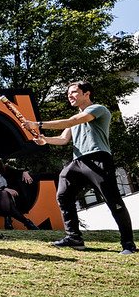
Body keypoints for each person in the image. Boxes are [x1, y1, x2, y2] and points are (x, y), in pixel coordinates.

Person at [16, 80, 136, 253]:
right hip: (78, 162)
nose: (69, 96)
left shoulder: (97, 109)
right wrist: (45, 140)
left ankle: (128, 244)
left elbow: (72, 121)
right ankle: (74, 238)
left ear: (86, 93)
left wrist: (38, 124)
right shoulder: (75, 120)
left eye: (73, 92)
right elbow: (64, 139)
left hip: (98, 159)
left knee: (113, 201)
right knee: (63, 194)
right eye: (68, 94)